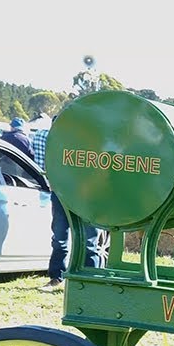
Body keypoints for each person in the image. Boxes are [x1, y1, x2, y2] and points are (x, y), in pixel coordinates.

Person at [31, 118, 105, 292]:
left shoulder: (92, 144)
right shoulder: (56, 144)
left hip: (87, 196)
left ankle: (91, 282)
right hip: (62, 193)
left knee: (89, 241)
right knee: (60, 239)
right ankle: (56, 277)